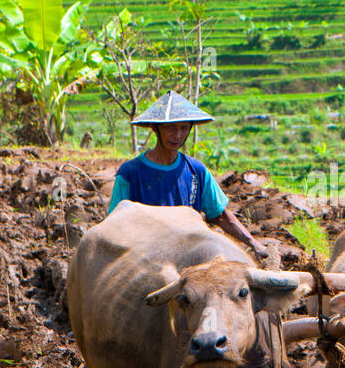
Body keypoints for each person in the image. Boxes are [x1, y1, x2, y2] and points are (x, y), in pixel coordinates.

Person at [107, 91, 270, 259]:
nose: (177, 136)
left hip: (189, 253)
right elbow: (115, 223)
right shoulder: (131, 173)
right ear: (155, 128)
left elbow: (220, 215)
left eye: (183, 128)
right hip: (146, 256)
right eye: (170, 128)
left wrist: (253, 243)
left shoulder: (197, 171)